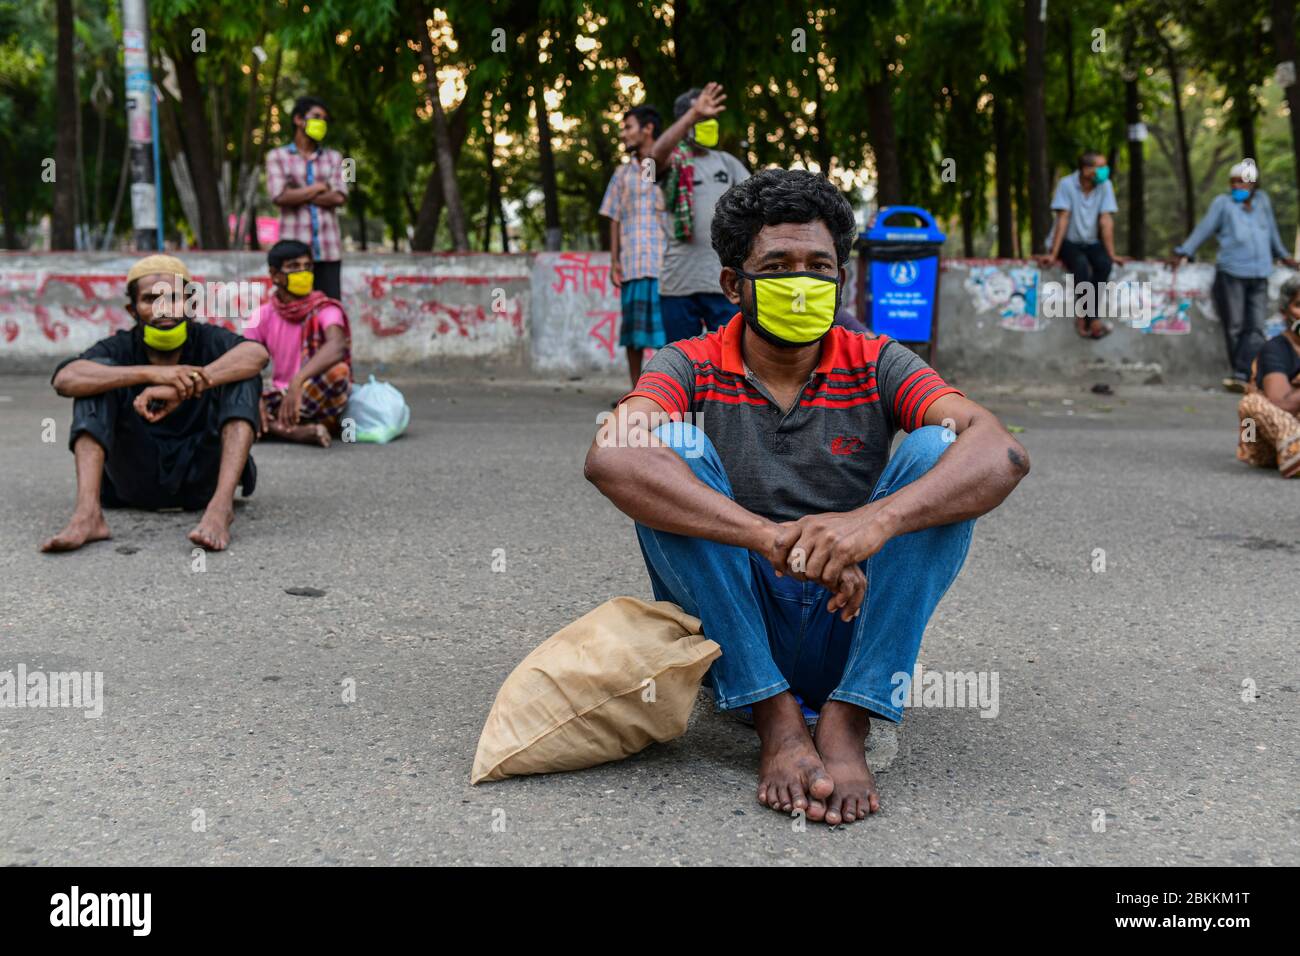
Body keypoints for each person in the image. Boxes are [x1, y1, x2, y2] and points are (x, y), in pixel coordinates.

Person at [584, 169, 1030, 826]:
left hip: (851, 620)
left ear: (841, 279)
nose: (802, 282)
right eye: (777, 266)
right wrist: (769, 539)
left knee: (942, 450)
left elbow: (1001, 452)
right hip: (737, 629)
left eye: (819, 267)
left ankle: (851, 715)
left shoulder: (877, 360)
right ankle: (774, 714)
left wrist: (871, 524)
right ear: (733, 284)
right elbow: (611, 454)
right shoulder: (688, 362)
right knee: (670, 446)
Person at [41, 255, 268, 554]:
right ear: (132, 309)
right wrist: (153, 374)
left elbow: (256, 354)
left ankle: (220, 509)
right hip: (134, 479)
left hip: (202, 478)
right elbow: (66, 378)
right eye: (150, 299)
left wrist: (187, 386)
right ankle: (87, 515)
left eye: (174, 298)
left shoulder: (208, 340)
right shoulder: (121, 347)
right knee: (94, 380)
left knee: (244, 376)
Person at [1173, 159, 1298, 391]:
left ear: (1253, 184)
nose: (1238, 186)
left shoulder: (1262, 202)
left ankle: (1250, 372)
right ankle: (1241, 372)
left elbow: (1271, 231)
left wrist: (1283, 255)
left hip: (1260, 273)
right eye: (1234, 182)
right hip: (1232, 273)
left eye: (1242, 182)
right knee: (1235, 326)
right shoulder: (1223, 203)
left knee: (1256, 327)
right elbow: (1204, 229)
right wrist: (1184, 252)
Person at [648, 82, 750, 343]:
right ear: (684, 122)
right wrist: (693, 114)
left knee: (729, 354)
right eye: (701, 117)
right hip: (678, 283)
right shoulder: (671, 163)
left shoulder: (727, 162)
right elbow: (651, 160)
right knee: (681, 359)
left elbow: (755, 200)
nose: (708, 123)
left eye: (710, 117)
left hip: (725, 283)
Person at [244, 239, 352, 446]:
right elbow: (243, 358)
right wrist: (254, 395)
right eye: (294, 267)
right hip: (278, 394)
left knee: (338, 372)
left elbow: (337, 345)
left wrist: (297, 382)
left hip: (312, 392)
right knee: (231, 390)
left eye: (307, 266)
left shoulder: (325, 308)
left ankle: (270, 426)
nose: (303, 273)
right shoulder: (262, 314)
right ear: (275, 275)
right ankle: (294, 431)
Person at [600, 105, 668, 385]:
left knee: (667, 336)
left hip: (665, 265)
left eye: (628, 127)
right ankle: (635, 391)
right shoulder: (622, 173)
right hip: (632, 264)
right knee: (633, 336)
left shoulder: (669, 167)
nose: (623, 134)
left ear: (648, 128)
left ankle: (667, 392)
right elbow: (613, 217)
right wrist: (614, 261)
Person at [266, 96, 348, 300]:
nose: (322, 122)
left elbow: (339, 197)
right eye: (316, 116)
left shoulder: (338, 158)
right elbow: (279, 196)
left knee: (330, 309)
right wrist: (320, 187)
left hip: (329, 253)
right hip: (292, 258)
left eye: (325, 119)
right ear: (298, 119)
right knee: (294, 309)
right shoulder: (276, 156)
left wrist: (297, 193)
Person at [1038, 150, 1127, 339]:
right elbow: (1063, 219)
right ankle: (1092, 320)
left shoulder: (1105, 186)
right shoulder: (1066, 184)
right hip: (1067, 241)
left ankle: (1083, 315)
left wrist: (1112, 254)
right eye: (1100, 167)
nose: (1105, 170)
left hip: (1090, 241)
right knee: (1080, 264)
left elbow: (1106, 221)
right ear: (1086, 170)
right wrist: (1053, 254)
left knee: (1104, 264)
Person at [1236, 276, 1300, 477]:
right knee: (1250, 403)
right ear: (1284, 312)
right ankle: (1294, 451)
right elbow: (1282, 404)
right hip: (1262, 441)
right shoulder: (1274, 349)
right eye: (1299, 305)